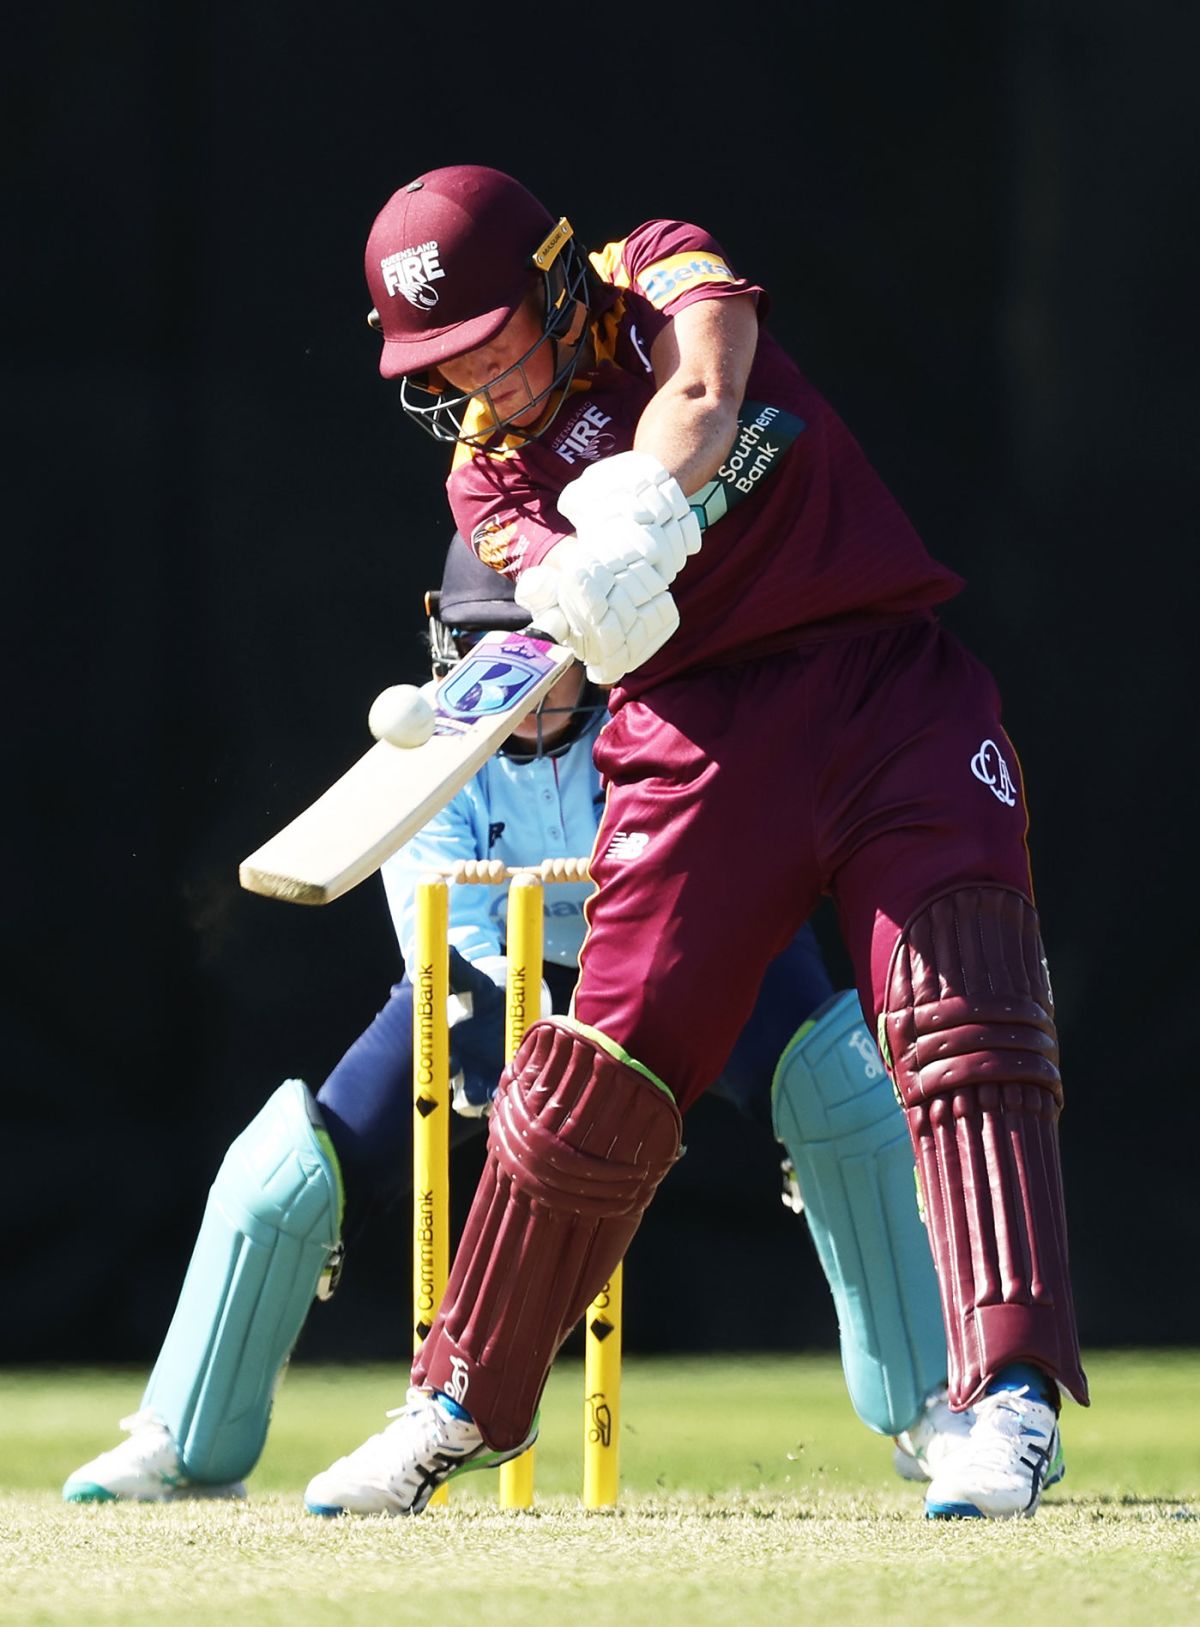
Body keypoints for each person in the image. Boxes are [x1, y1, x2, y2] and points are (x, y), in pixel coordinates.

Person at [309, 163, 1089, 1524]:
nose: (477, 377)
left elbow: (707, 389)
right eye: (443, 359)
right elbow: (576, 637)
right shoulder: (485, 478)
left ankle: (1009, 1398)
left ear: (556, 284)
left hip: (884, 683)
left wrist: (637, 509)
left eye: (489, 336)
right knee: (596, 1072)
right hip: (699, 741)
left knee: (965, 1009)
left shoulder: (656, 267)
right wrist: (573, 611)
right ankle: (457, 1400)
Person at [63, 538, 965, 1505]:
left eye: (538, 651)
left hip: (683, 941)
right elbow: (449, 946)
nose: (517, 684)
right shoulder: (420, 752)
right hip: (495, 970)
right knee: (284, 1173)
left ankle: (934, 1408)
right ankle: (186, 1442)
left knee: (841, 1094)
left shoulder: (663, 714)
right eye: (487, 650)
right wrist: (527, 1052)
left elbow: (717, 877)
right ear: (446, 641)